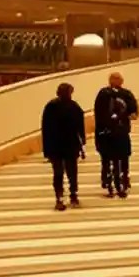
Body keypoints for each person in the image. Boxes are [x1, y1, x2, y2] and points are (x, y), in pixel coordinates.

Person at [40, 82, 85, 211]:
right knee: (65, 172)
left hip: (64, 145)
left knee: (65, 172)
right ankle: (67, 196)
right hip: (62, 145)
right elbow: (47, 129)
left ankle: (66, 195)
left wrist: (81, 144)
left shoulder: (58, 106)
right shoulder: (59, 107)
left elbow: (79, 127)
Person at [93, 72, 138, 198]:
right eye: (116, 78)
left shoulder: (126, 94)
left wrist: (131, 114)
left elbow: (133, 111)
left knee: (123, 158)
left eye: (119, 79)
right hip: (107, 133)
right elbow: (99, 114)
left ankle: (123, 180)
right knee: (107, 159)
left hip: (121, 132)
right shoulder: (104, 94)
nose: (118, 81)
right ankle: (109, 181)